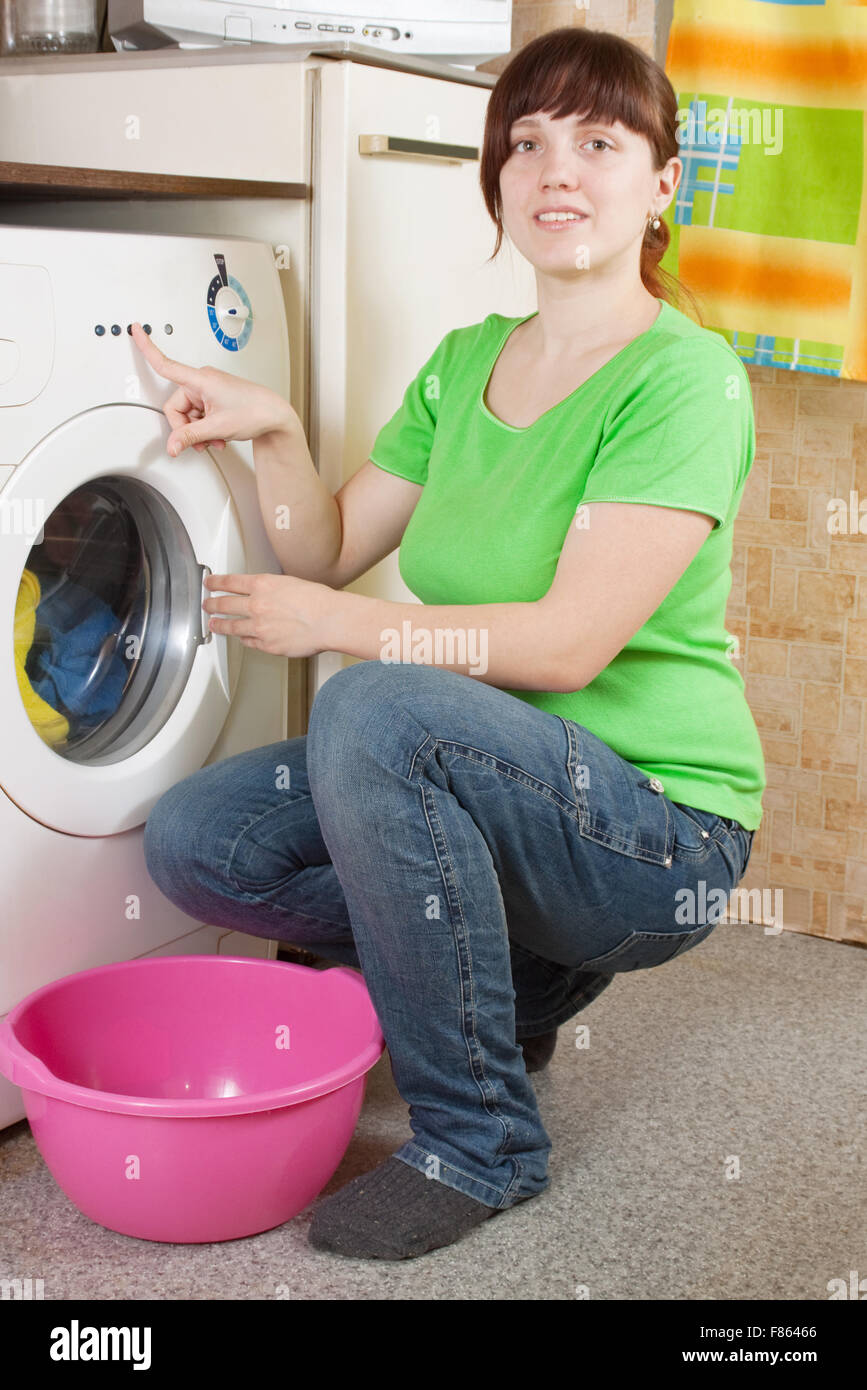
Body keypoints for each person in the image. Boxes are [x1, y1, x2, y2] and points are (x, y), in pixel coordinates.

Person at [138, 26, 765, 1262]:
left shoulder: (686, 381)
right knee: (196, 837)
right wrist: (269, 431)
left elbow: (572, 644)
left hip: (653, 826)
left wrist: (347, 634)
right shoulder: (467, 364)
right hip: (496, 788)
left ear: (662, 183)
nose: (553, 171)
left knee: (377, 702)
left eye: (598, 140)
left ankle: (478, 1141)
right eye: (523, 143)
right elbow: (317, 550)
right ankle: (508, 987)